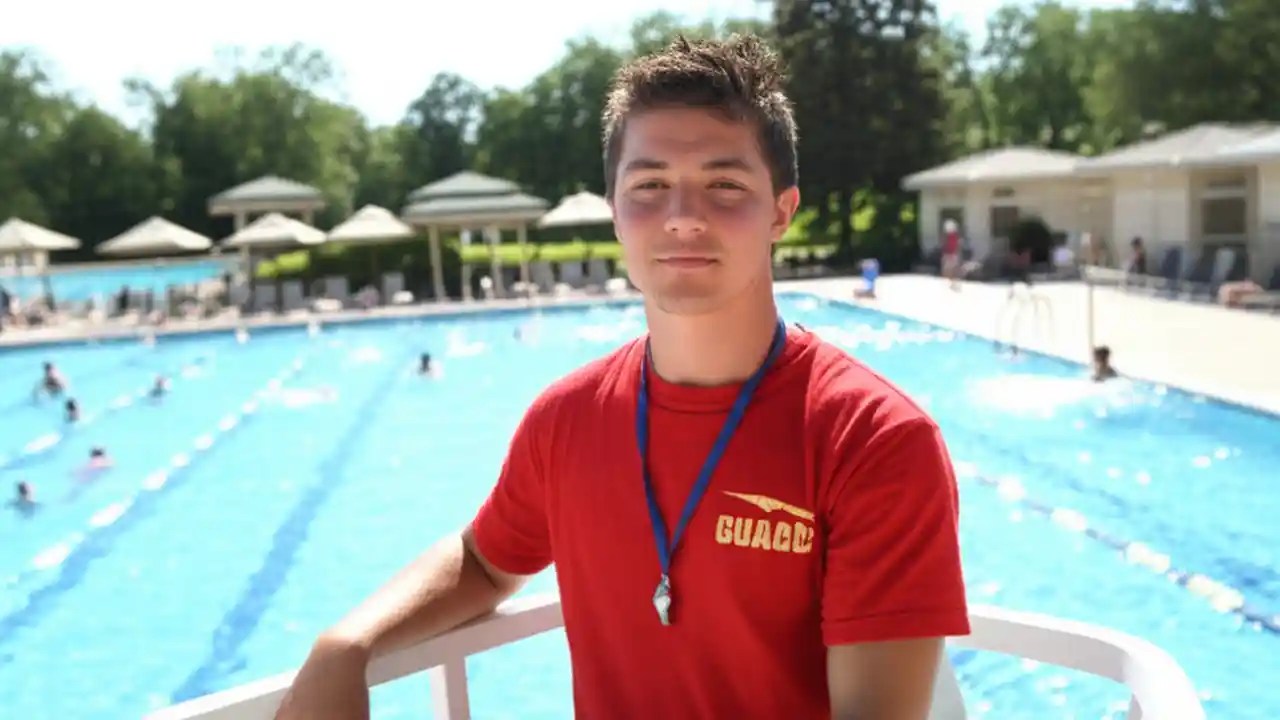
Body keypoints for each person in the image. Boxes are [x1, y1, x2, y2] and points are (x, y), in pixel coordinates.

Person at [274, 35, 968, 720]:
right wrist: (347, 644)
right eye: (650, 186)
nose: (683, 218)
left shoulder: (876, 441)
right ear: (614, 212)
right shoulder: (567, 419)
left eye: (725, 185)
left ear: (781, 211)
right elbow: (485, 561)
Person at [941, 219, 963, 290]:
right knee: (948, 270)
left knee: (952, 269)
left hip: (952, 255)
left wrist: (954, 254)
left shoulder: (954, 237)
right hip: (950, 254)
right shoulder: (950, 236)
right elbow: (947, 245)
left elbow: (955, 246)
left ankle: (954, 282)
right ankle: (954, 282)